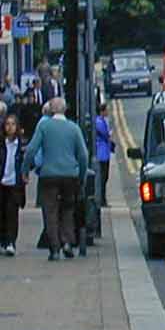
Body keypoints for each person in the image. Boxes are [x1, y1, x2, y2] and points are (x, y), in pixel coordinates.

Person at [21, 97, 90, 261]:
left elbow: (31, 150)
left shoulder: (44, 126)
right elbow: (83, 155)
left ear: (51, 110)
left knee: (49, 211)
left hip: (48, 175)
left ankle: (54, 249)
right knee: (68, 209)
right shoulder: (73, 128)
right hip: (69, 176)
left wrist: (25, 170)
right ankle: (67, 242)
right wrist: (81, 176)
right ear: (65, 110)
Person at [0, 111, 24, 256]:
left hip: (15, 184)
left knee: (12, 214)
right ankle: (3, 240)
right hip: (2, 182)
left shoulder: (20, 145)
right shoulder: (2, 144)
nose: (10, 127)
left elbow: (26, 162)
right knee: (2, 213)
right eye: (7, 124)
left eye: (13, 124)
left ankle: (11, 242)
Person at [93, 102, 114, 207]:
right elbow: (105, 135)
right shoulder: (99, 122)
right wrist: (109, 134)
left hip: (105, 152)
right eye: (107, 110)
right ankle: (102, 200)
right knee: (102, 178)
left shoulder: (102, 121)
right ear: (102, 111)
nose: (108, 112)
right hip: (102, 154)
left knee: (105, 178)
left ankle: (103, 199)